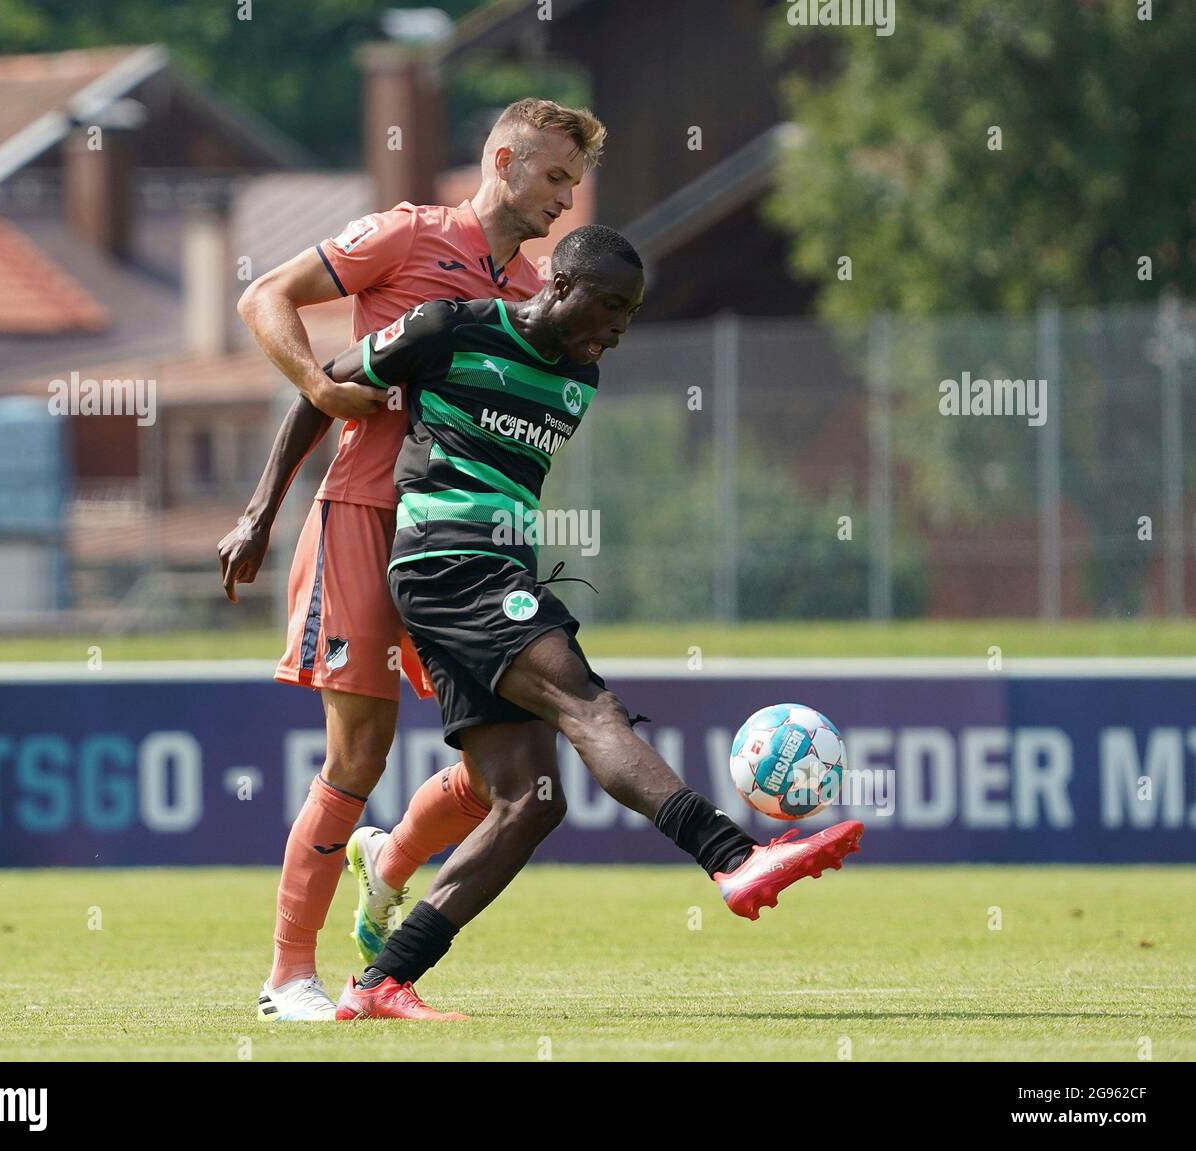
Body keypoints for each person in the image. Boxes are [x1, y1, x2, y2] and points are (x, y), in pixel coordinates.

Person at [292, 223, 865, 1021]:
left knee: (530, 800)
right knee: (587, 704)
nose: (617, 328)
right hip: (449, 563)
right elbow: (321, 387)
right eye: (608, 305)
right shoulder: (449, 327)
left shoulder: (579, 380)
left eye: (629, 312)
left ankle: (381, 981)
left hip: (491, 572)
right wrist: (259, 513)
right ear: (557, 286)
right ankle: (731, 855)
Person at [218, 99, 607, 1020]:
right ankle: (287, 980)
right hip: (362, 514)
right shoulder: (403, 235)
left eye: (573, 183)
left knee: (499, 768)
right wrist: (267, 493)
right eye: (554, 175)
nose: (564, 197)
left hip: (461, 543)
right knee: (358, 752)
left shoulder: (531, 297)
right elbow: (263, 296)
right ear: (505, 159)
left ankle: (388, 860)